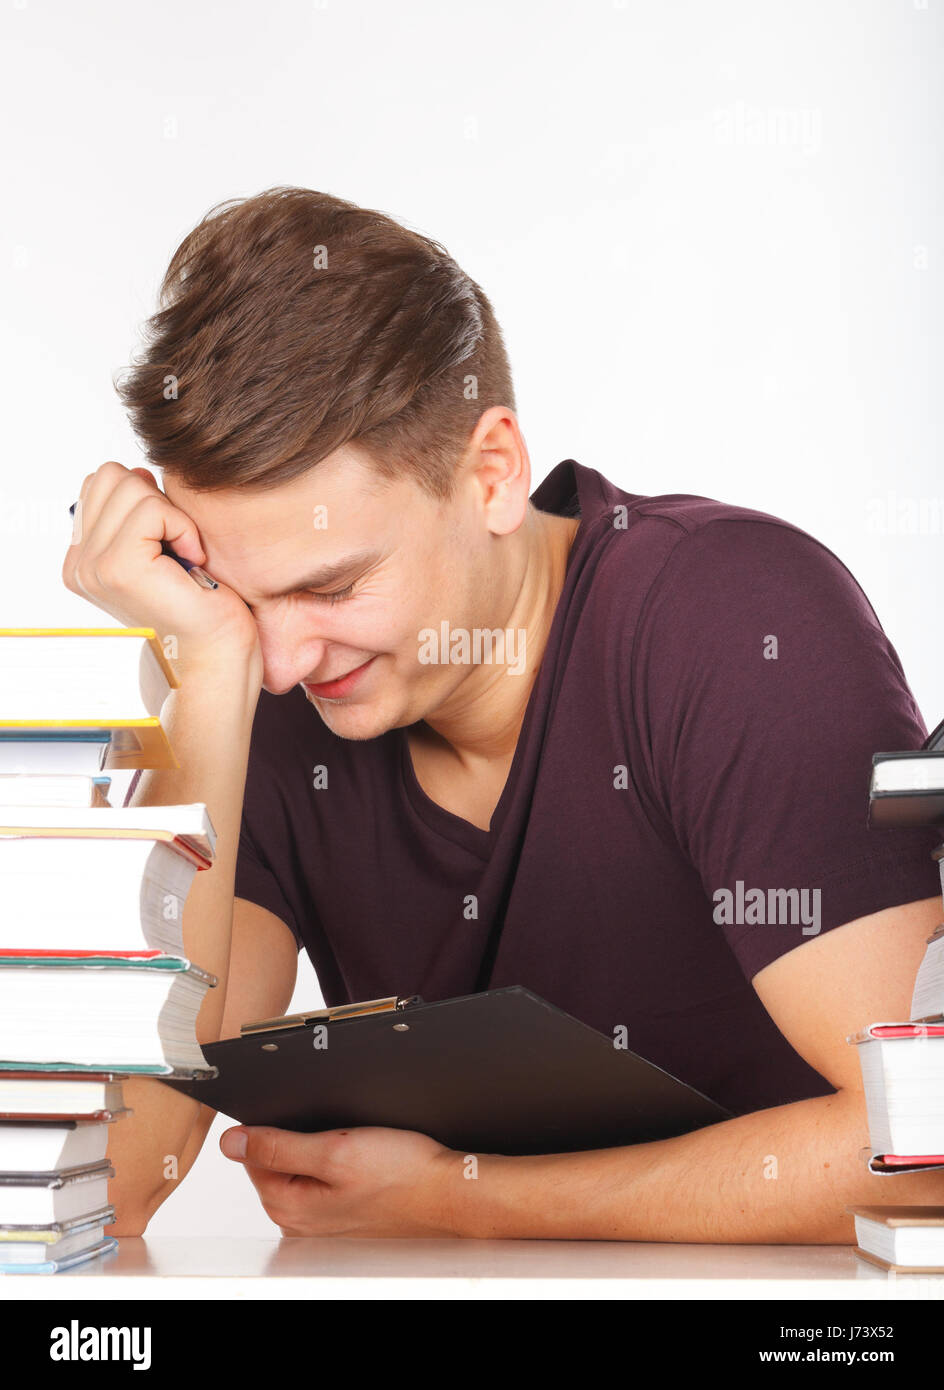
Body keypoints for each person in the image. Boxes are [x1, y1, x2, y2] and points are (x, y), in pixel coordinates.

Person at [63, 187, 944, 1242]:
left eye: (333, 587)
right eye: (245, 601)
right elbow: (107, 1185)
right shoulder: (267, 693)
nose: (288, 660)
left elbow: (921, 1148)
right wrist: (205, 671)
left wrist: (458, 1193)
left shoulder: (731, 622)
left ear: (490, 473)